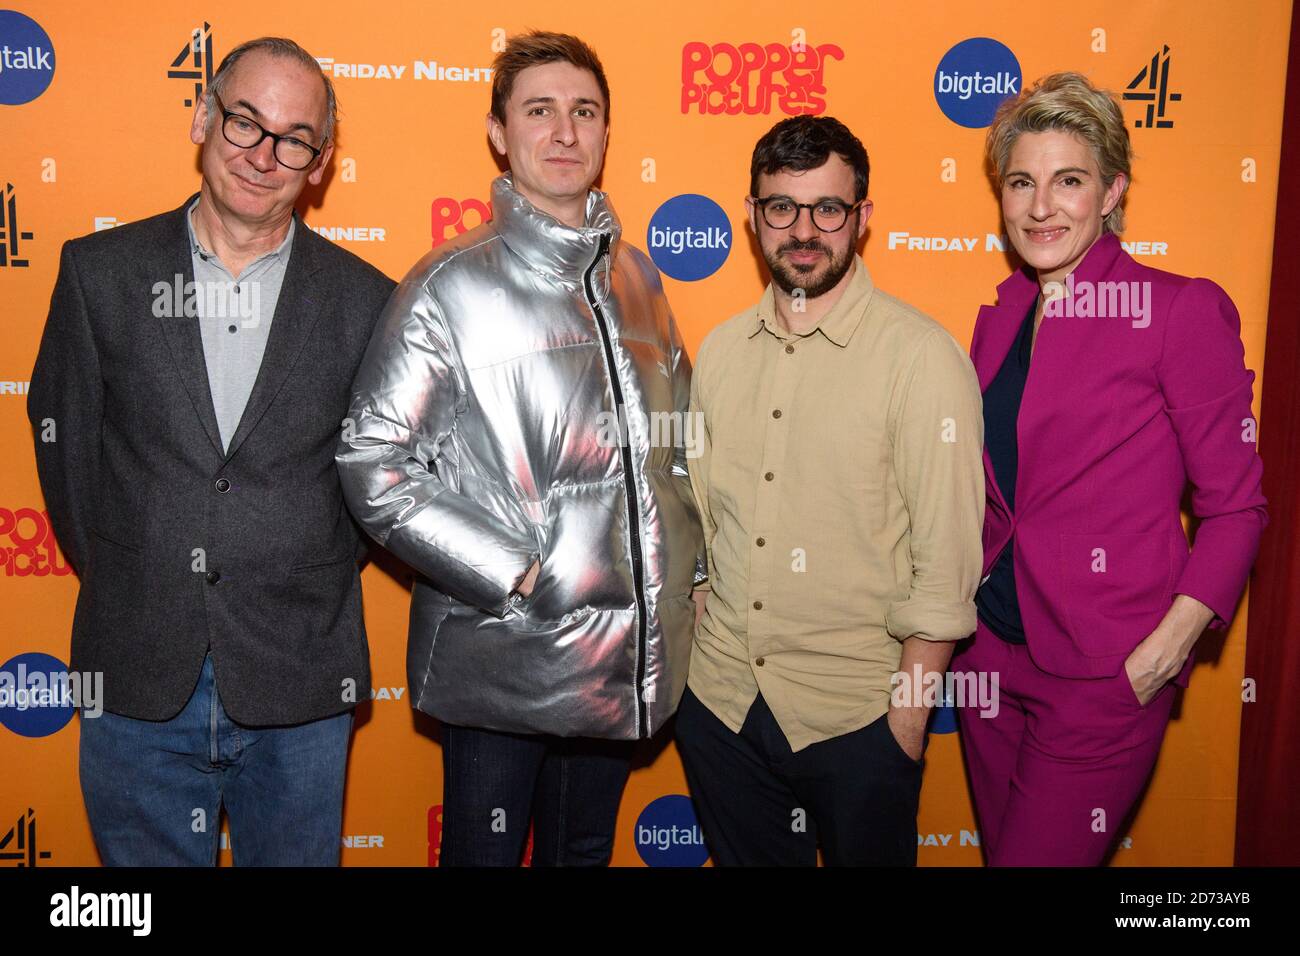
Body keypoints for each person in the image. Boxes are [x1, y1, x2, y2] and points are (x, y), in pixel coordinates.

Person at [335, 31, 704, 867]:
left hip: (620, 661)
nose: (566, 133)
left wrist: (696, 572)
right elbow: (373, 463)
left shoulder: (641, 282)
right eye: (540, 111)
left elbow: (678, 445)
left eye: (585, 112)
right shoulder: (447, 286)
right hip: (503, 655)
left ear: (609, 131)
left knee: (581, 855)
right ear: (500, 132)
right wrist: (510, 570)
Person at [26, 37, 395, 866]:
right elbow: (67, 448)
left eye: (295, 138)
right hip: (134, 669)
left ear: (322, 160)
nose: (264, 155)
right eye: (244, 123)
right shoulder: (101, 274)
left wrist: (296, 561)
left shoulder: (369, 301)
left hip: (301, 675)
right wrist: (139, 562)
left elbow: (384, 479)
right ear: (203, 116)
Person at [952, 72, 1267, 866]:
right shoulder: (1001, 316)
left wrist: (1166, 651)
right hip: (989, 659)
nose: (1040, 207)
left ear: (1112, 190)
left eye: (1069, 181)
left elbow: (1237, 507)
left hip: (1104, 673)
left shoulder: (1176, 310)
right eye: (1021, 182)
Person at [674, 115, 985, 866]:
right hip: (722, 710)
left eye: (829, 209)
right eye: (781, 206)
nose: (804, 229)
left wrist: (904, 727)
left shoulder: (922, 360)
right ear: (751, 218)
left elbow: (946, 563)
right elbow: (705, 522)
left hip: (858, 723)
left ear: (863, 218)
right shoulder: (717, 353)